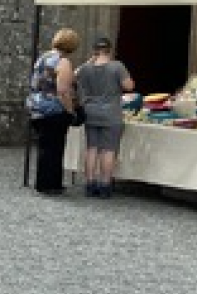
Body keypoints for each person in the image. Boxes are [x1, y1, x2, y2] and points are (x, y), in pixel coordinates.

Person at [75, 36, 135, 198]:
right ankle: (105, 185)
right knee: (108, 150)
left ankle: (89, 183)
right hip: (111, 112)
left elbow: (74, 77)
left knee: (91, 148)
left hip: (90, 110)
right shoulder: (117, 66)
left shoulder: (86, 68)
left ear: (94, 50)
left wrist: (88, 62)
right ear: (110, 50)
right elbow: (128, 86)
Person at [27, 27, 81, 195]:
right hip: (53, 109)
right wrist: (71, 110)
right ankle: (51, 183)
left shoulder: (43, 58)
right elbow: (63, 90)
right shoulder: (63, 62)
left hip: (36, 106)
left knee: (45, 147)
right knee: (55, 147)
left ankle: (44, 182)